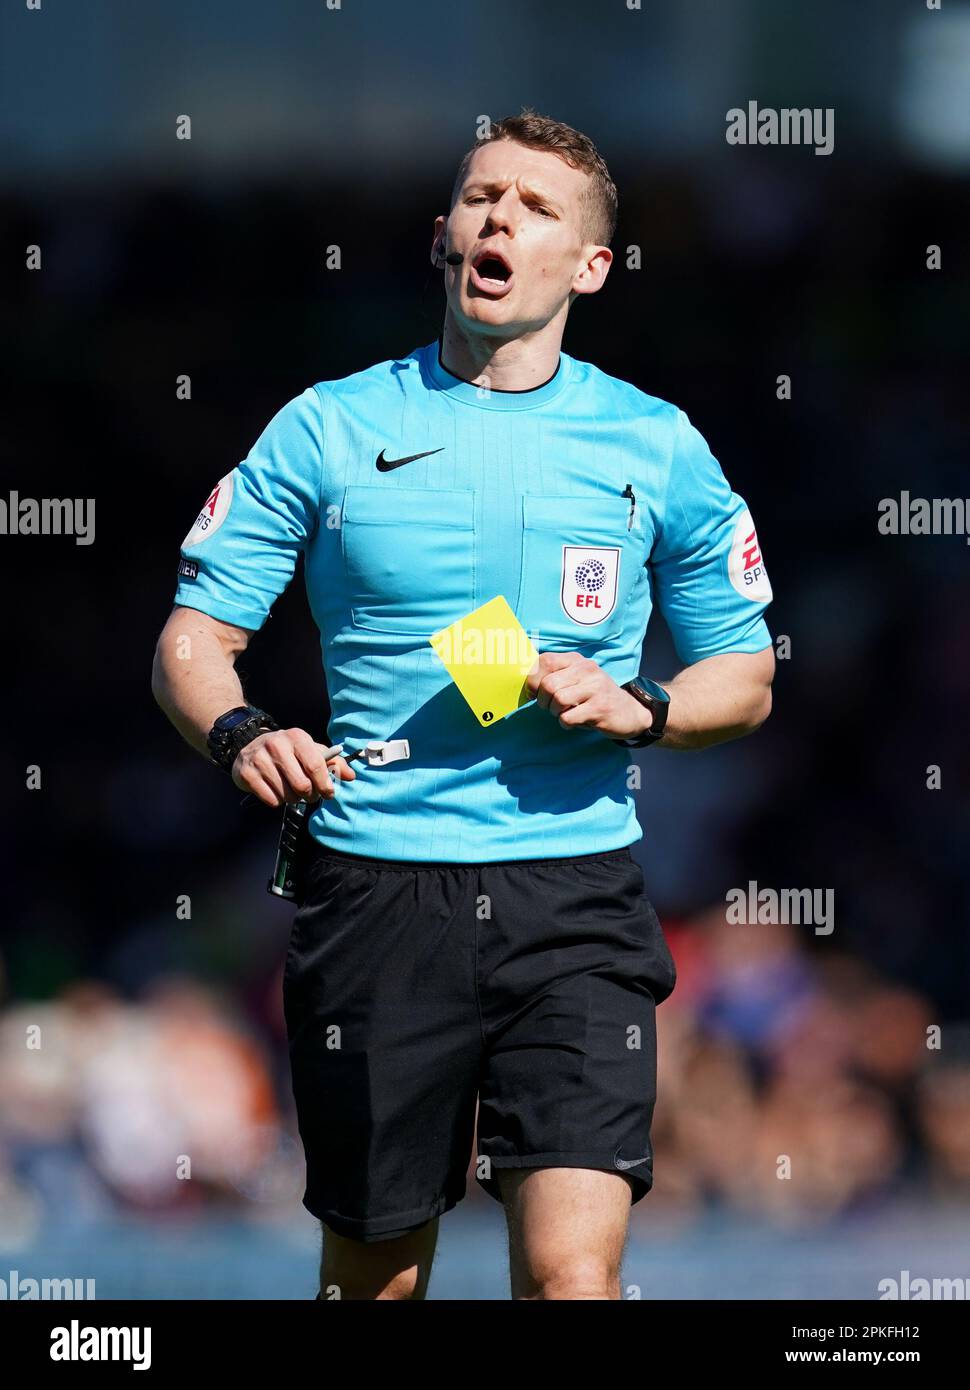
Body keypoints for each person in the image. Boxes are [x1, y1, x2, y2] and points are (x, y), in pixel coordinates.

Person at [151, 108, 775, 1301]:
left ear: (588, 265)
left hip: (576, 891)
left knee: (572, 1279)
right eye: (482, 196)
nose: (501, 216)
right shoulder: (328, 427)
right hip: (377, 893)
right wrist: (240, 730)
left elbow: (742, 675)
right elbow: (192, 639)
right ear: (444, 235)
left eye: (538, 206)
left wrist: (641, 706)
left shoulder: (657, 443)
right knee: (376, 1281)